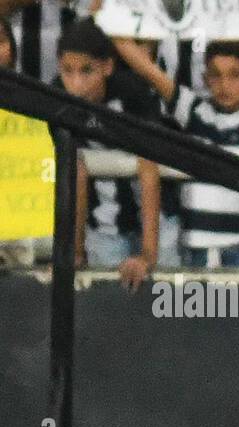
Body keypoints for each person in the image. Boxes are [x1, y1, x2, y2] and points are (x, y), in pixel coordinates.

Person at [114, 38, 239, 268]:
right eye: (215, 75)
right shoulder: (194, 112)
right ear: (205, 78)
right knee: (192, 306)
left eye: (235, 75)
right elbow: (148, 70)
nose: (224, 84)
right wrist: (106, 18)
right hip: (195, 247)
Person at [55, 18, 174, 290]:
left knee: (163, 313)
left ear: (107, 66)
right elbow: (75, 172)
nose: (76, 84)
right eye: (67, 71)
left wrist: (148, 254)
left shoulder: (133, 94)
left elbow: (149, 167)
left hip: (157, 225)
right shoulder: (56, 100)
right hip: (103, 229)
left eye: (86, 71)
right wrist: (75, 251)